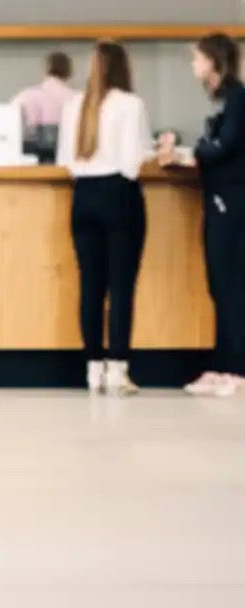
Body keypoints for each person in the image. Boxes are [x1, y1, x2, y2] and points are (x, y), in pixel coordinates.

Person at [56, 41, 151, 395]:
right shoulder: (131, 104)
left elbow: (66, 160)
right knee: (121, 287)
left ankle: (92, 369)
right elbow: (132, 163)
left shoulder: (73, 105)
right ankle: (118, 370)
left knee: (91, 287)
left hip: (83, 197)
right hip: (119, 196)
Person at [157, 33, 245, 396]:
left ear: (213, 61)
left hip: (233, 202)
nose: (193, 65)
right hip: (218, 200)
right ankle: (220, 364)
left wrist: (191, 153)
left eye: (197, 59)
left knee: (232, 288)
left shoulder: (239, 98)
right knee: (218, 286)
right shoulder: (226, 102)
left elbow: (223, 147)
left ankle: (236, 370)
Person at [14, 52, 76, 161]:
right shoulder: (78, 99)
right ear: (69, 72)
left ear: (46, 69)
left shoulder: (26, 96)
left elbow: (9, 129)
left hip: (31, 162)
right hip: (69, 161)